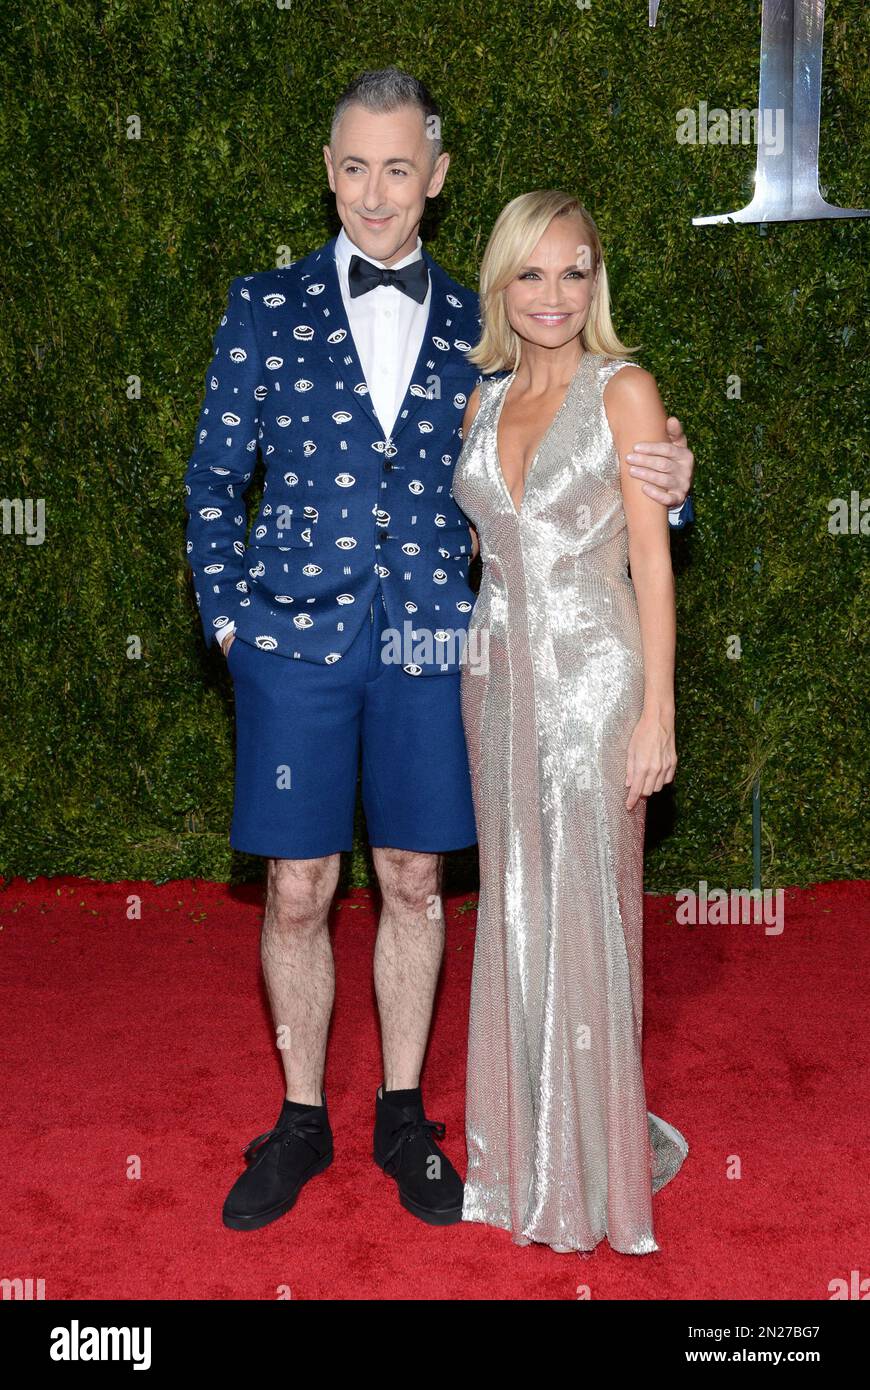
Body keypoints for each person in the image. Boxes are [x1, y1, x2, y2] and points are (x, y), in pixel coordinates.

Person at [182, 68, 694, 1235]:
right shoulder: (263, 306)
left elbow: (593, 452)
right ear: (328, 169)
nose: (375, 192)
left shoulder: (494, 318)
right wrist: (230, 626)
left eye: (399, 167)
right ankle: (302, 1114)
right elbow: (213, 480)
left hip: (433, 649)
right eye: (354, 165)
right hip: (295, 652)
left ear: (438, 178)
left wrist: (680, 473)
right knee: (298, 886)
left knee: (416, 882)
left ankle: (404, 1115)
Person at [453, 190, 689, 1254]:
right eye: (533, 273)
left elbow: (652, 557)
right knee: (510, 901)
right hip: (493, 676)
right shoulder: (479, 400)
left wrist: (658, 710)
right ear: (503, 281)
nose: (554, 295)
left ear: (598, 281)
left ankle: (591, 1176)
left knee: (584, 902)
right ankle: (520, 1154)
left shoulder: (626, 391)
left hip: (595, 675)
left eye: (576, 270)